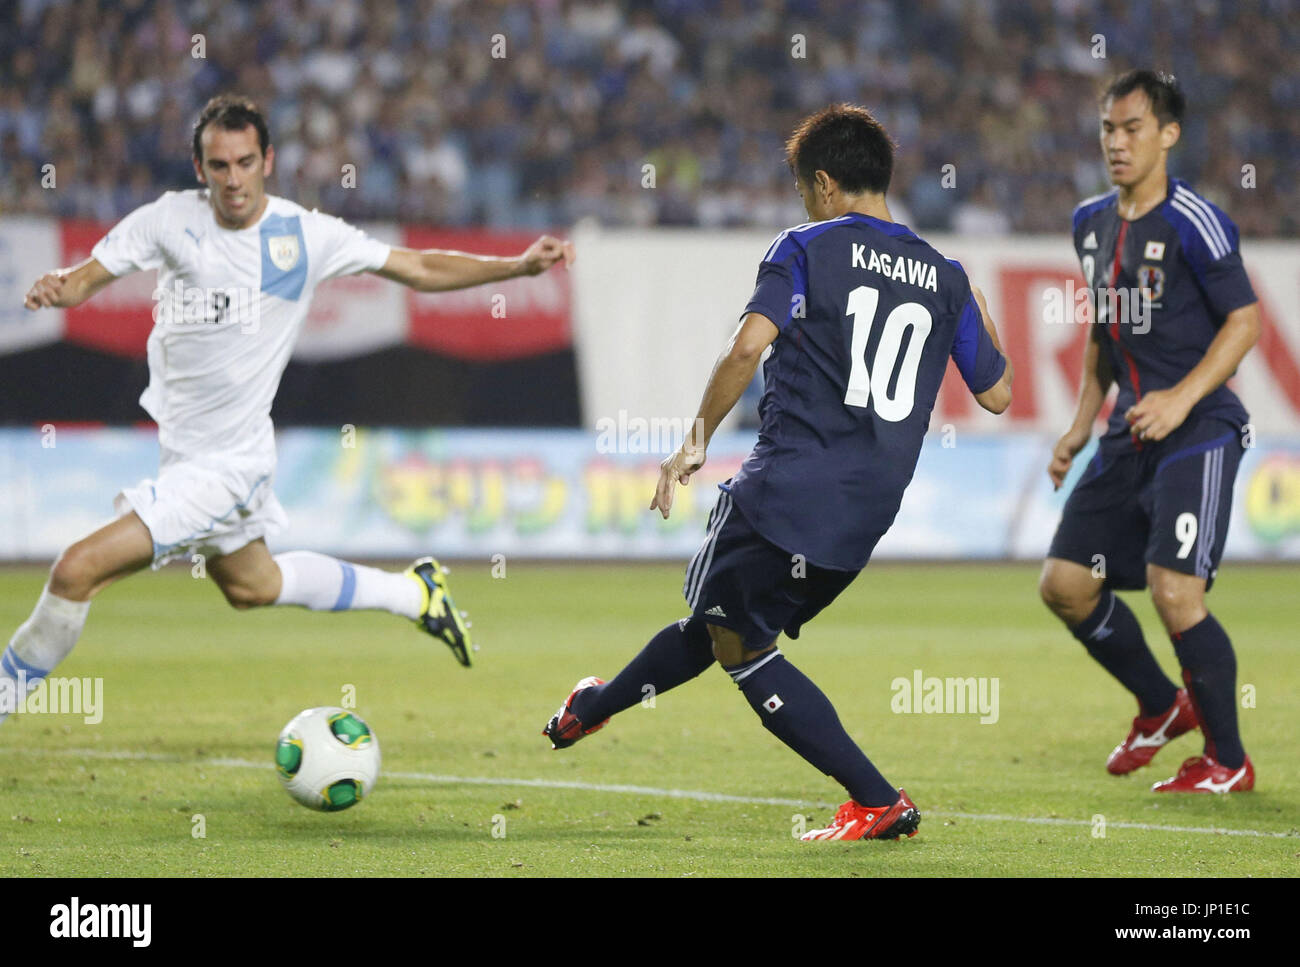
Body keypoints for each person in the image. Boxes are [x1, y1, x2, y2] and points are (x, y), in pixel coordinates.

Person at [2, 95, 574, 724]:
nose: (233, 178)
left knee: (76, 569)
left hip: (229, 466)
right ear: (200, 169)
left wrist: (516, 266)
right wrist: (61, 286)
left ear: (267, 161)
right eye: (219, 165)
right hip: (185, 456)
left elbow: (417, 266)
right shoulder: (168, 221)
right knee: (254, 587)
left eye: (245, 162)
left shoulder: (303, 236)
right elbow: (87, 277)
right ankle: (414, 593)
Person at [542, 104, 1012, 841]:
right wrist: (978, 311)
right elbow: (997, 392)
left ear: (824, 183)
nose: (802, 202)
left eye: (802, 189)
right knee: (727, 623)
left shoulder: (805, 246)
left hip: (784, 492)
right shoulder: (947, 278)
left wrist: (692, 443)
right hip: (865, 514)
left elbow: (744, 350)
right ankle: (590, 709)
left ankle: (877, 799)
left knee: (740, 641)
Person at [1039, 71, 1261, 793]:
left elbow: (1245, 320)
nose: (1116, 142)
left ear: (1168, 134)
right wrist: (1076, 428)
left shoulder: (1195, 221)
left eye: (1132, 128)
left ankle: (1228, 761)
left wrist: (1180, 397)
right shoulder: (1090, 223)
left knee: (1175, 591)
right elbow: (1102, 331)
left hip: (1198, 427)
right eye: (1108, 128)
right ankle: (1164, 705)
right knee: (1066, 584)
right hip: (1124, 430)